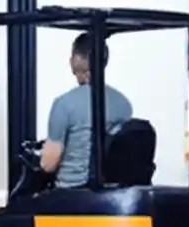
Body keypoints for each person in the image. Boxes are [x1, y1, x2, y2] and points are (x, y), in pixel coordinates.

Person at [41, 32, 134, 188]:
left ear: (76, 60)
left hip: (70, 194)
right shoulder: (124, 104)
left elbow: (48, 165)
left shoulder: (64, 104)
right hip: (110, 193)